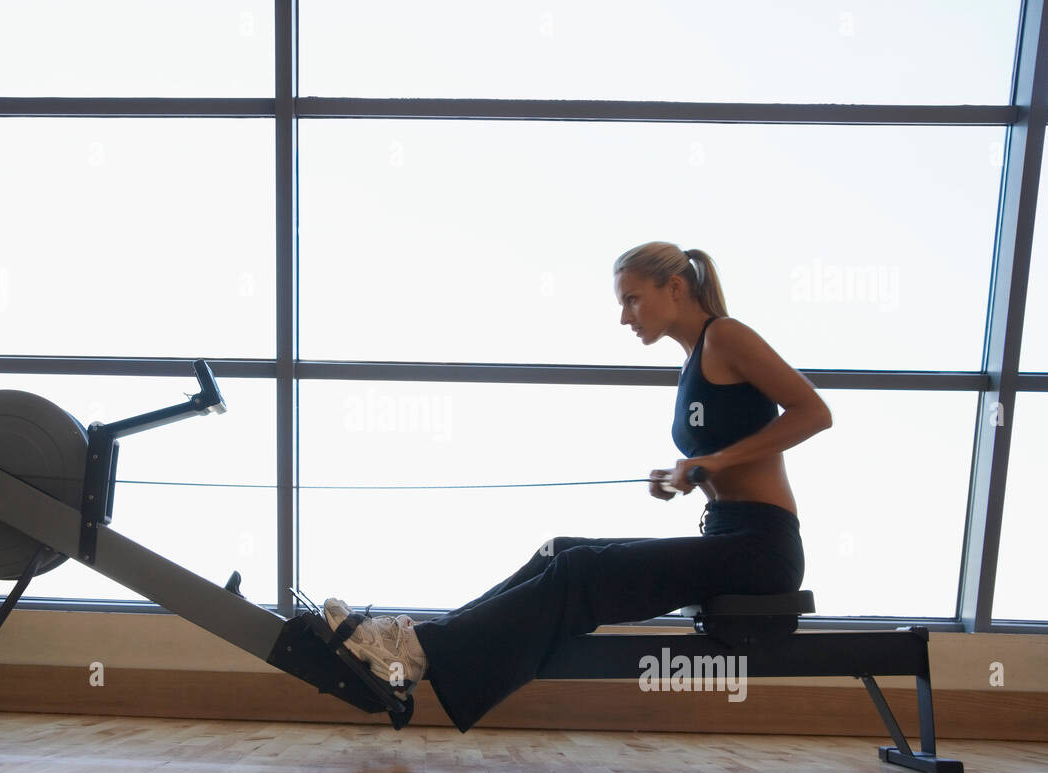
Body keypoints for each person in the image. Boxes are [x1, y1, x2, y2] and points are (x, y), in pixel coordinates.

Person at [322, 241, 833, 733]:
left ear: (675, 287)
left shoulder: (726, 336)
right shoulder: (692, 362)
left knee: (581, 570)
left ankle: (414, 650)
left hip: (761, 551)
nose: (625, 316)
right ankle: (416, 645)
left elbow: (814, 412)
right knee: (558, 551)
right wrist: (687, 475)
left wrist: (709, 461)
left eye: (632, 299)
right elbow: (731, 452)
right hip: (725, 538)